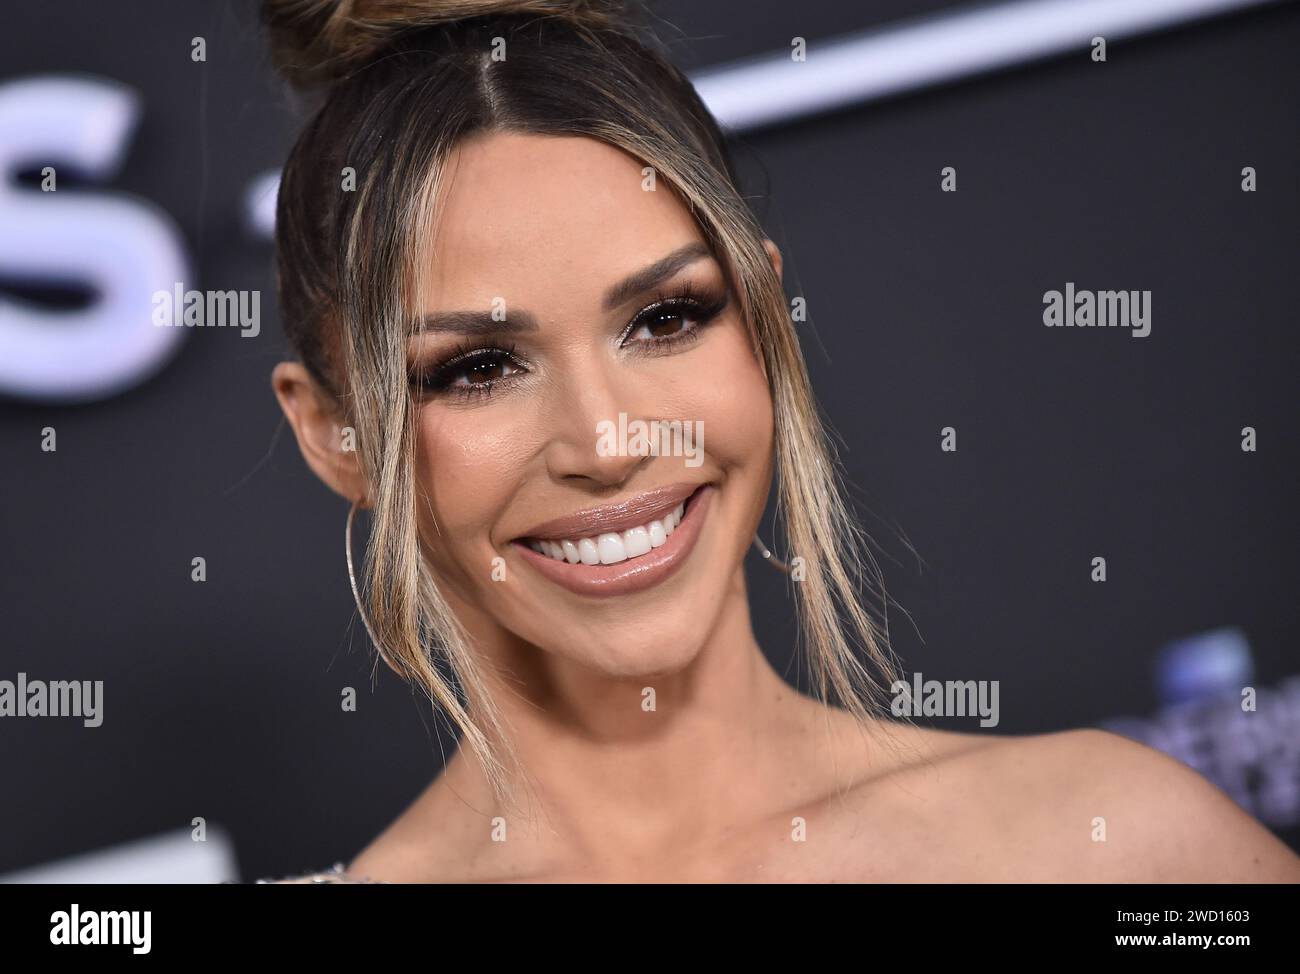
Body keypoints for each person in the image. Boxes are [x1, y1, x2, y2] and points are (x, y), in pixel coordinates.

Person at [260, 0, 1300, 883]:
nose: (608, 440)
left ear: (763, 310)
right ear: (331, 431)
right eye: (476, 366)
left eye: (665, 318)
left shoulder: (1111, 845)